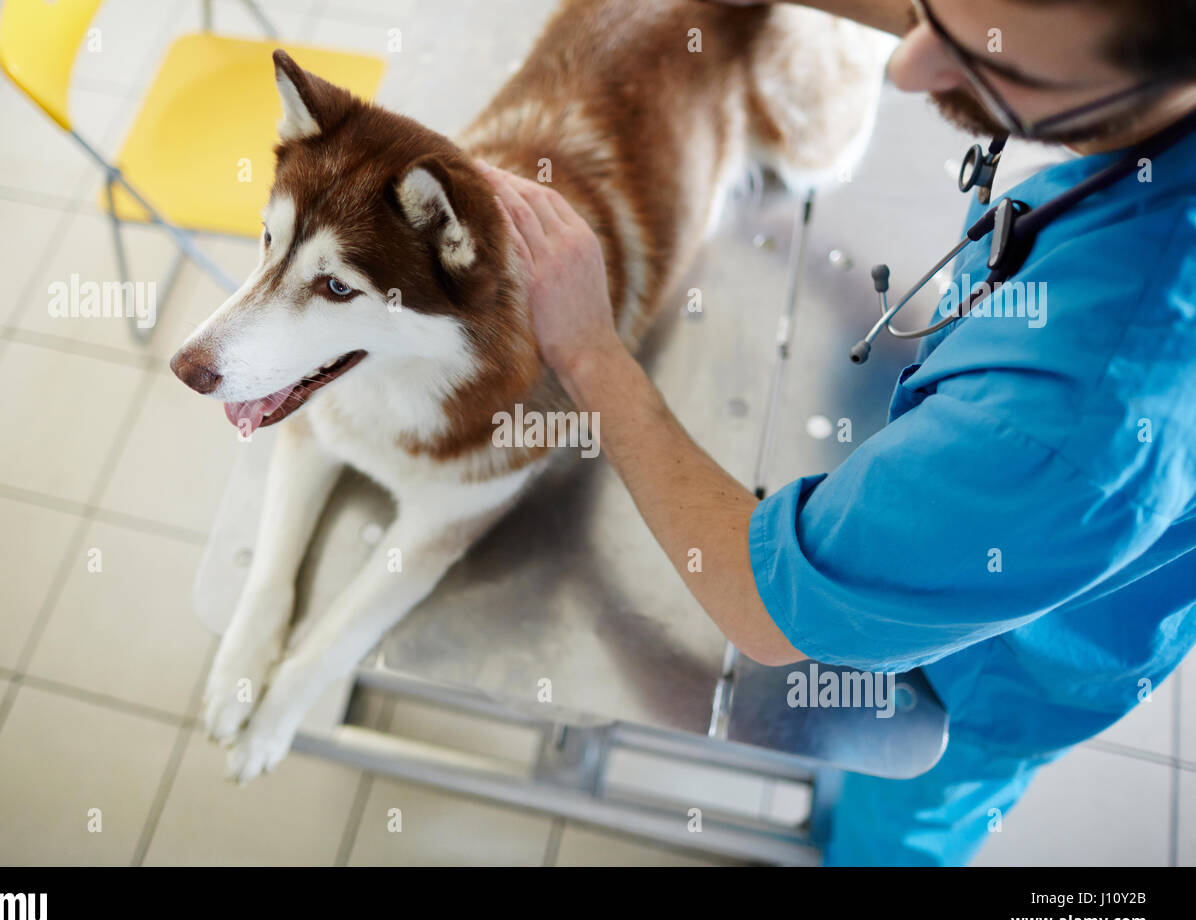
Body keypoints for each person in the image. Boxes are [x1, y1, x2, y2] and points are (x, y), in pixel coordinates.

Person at [477, 0, 1196, 865]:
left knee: (895, 831)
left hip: (998, 682)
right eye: (933, 8)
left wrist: (591, 355)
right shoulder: (1106, 63)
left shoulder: (1078, 420)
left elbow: (762, 606)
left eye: (997, 69)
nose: (905, 67)